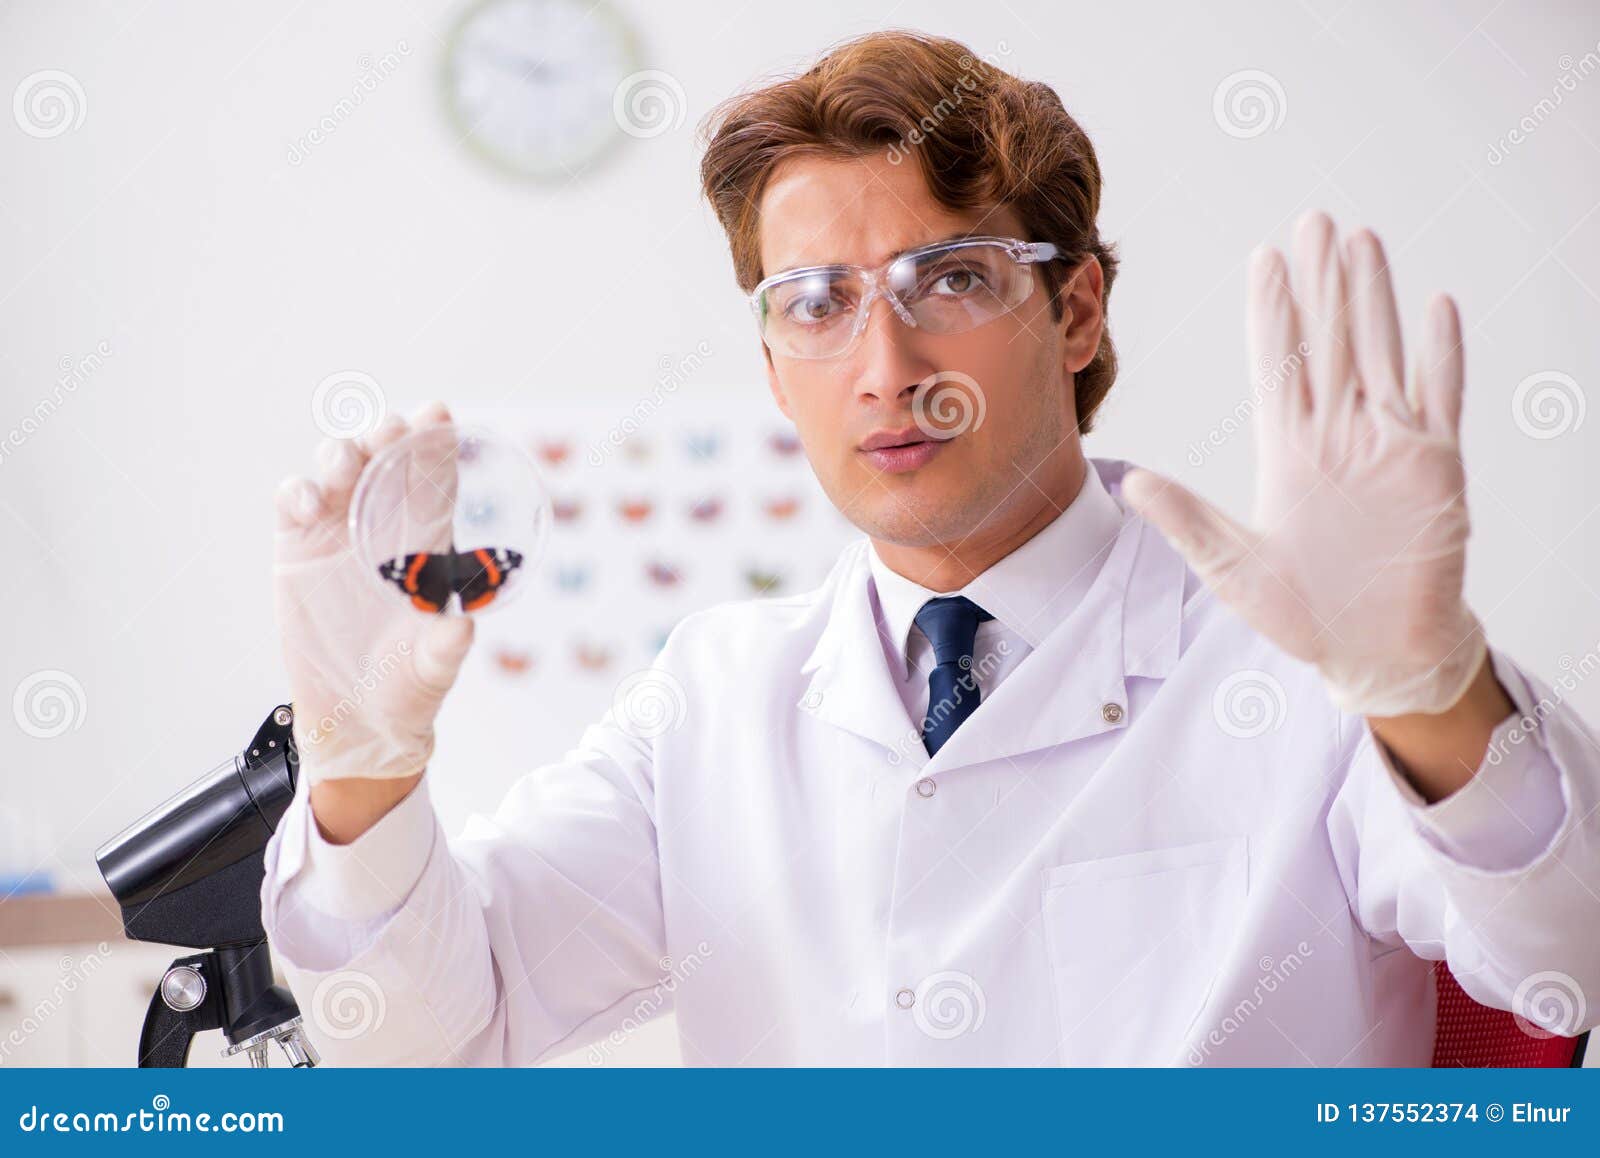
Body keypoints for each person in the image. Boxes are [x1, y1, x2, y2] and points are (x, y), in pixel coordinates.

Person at [264, 30, 1600, 1065]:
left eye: (949, 278)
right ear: (775, 366)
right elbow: (426, 1034)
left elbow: (1566, 958)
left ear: (1073, 310)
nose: (883, 364)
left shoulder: (1303, 654)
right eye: (817, 304)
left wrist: (1429, 687)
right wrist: (361, 775)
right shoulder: (715, 701)